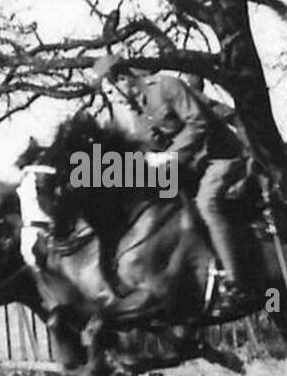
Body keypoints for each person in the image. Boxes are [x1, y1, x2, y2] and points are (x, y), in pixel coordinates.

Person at [88, 55, 255, 313]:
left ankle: (236, 284)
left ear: (122, 79)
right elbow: (150, 146)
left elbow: (200, 122)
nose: (111, 99)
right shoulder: (138, 111)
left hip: (221, 157)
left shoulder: (167, 86)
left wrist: (169, 156)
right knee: (162, 207)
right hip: (190, 165)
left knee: (206, 204)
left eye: (110, 91)